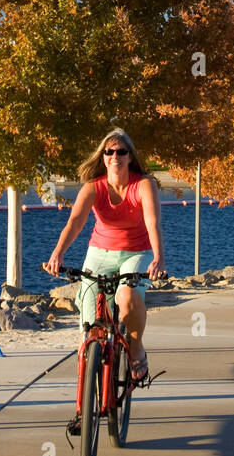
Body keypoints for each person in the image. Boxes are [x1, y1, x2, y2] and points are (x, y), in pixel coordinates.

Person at [44, 127, 164, 383]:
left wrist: (158, 258)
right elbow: (75, 221)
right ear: (103, 156)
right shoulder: (93, 187)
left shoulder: (143, 185)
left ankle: (135, 347)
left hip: (136, 252)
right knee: (89, 333)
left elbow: (153, 223)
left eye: (121, 151)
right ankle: (83, 408)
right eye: (109, 151)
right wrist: (58, 253)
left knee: (127, 296)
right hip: (99, 253)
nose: (115, 156)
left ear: (130, 156)